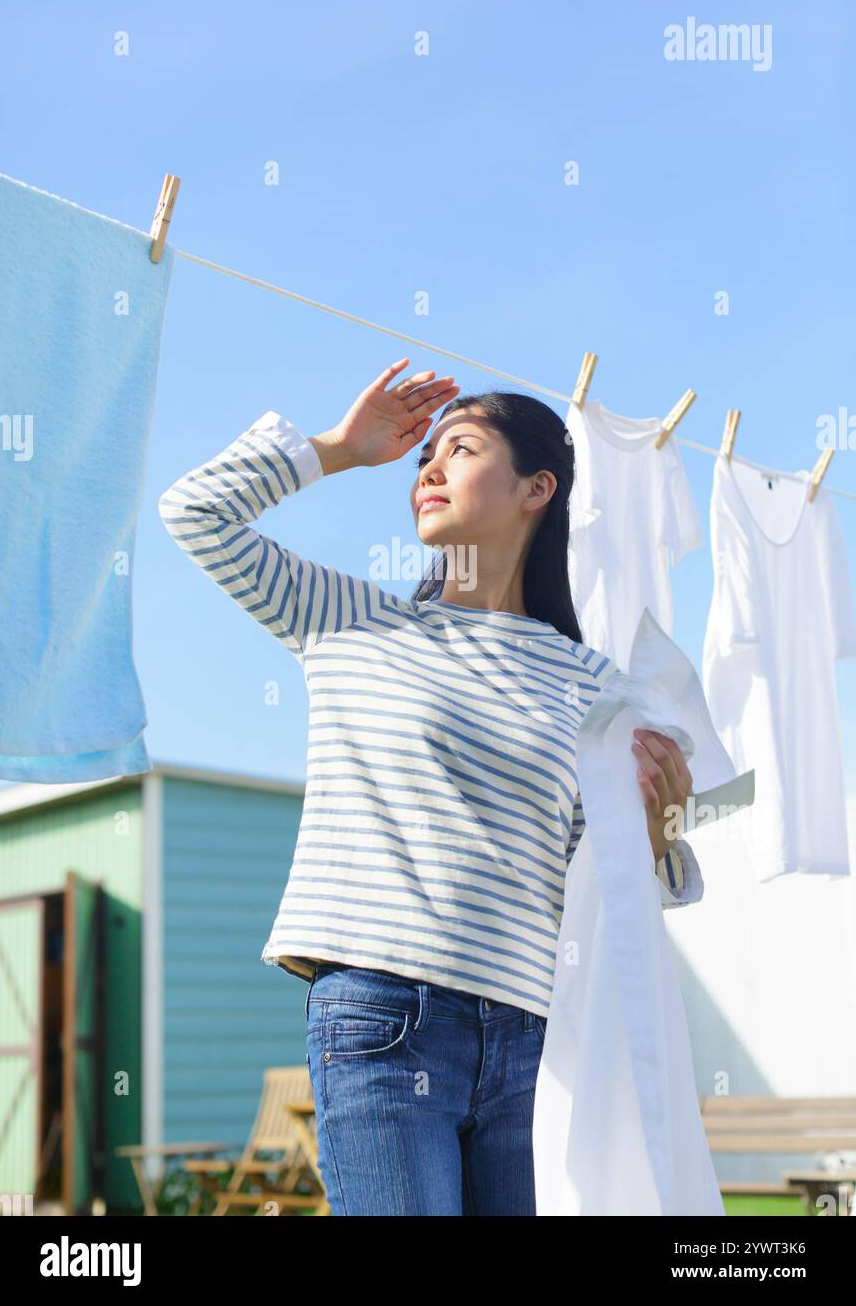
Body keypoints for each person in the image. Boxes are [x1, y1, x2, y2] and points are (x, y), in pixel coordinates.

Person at [158, 358, 700, 1215]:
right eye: (423, 457)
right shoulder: (351, 623)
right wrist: (337, 448)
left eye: (462, 449)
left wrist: (661, 833)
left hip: (531, 1036)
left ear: (537, 489)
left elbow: (612, 880)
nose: (429, 469)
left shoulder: (596, 684)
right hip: (384, 1019)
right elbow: (194, 512)